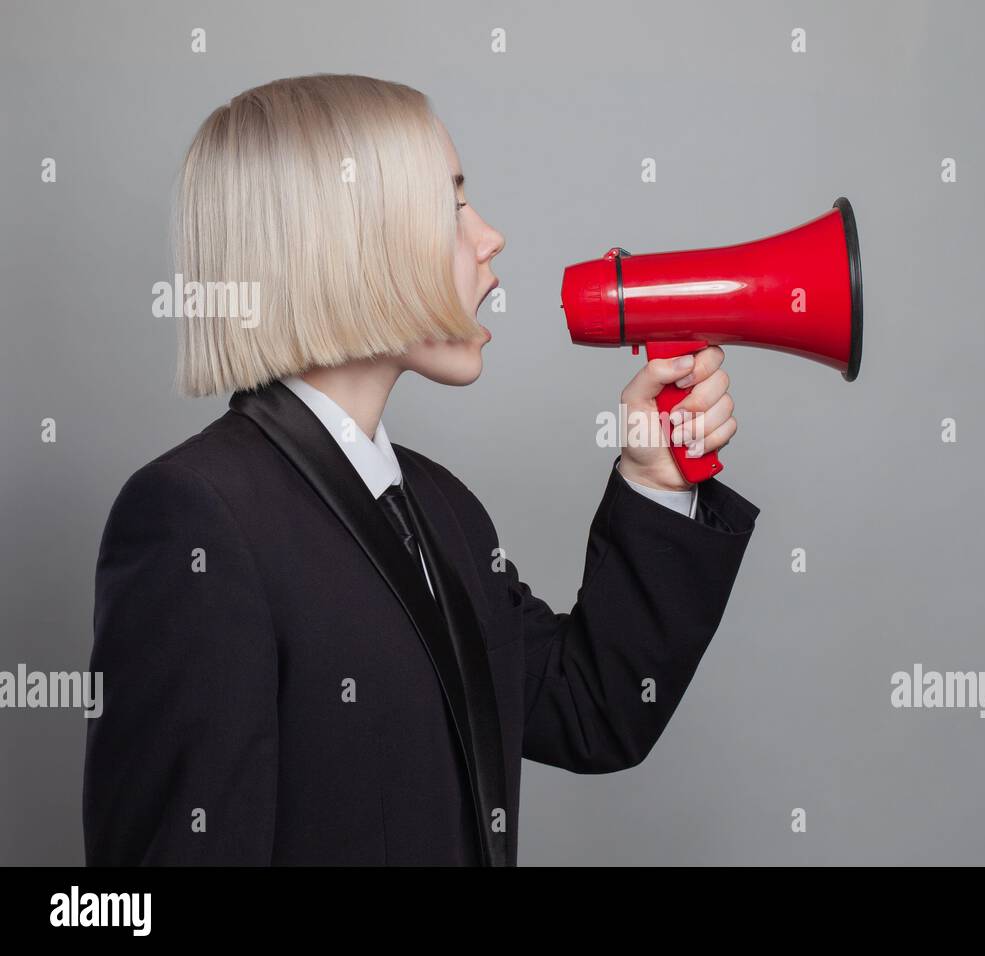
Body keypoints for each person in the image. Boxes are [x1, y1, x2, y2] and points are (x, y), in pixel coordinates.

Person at [83, 73, 759, 866]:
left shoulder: (442, 510)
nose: (490, 237)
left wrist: (658, 482)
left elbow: (590, 708)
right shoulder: (194, 518)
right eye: (453, 206)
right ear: (349, 242)